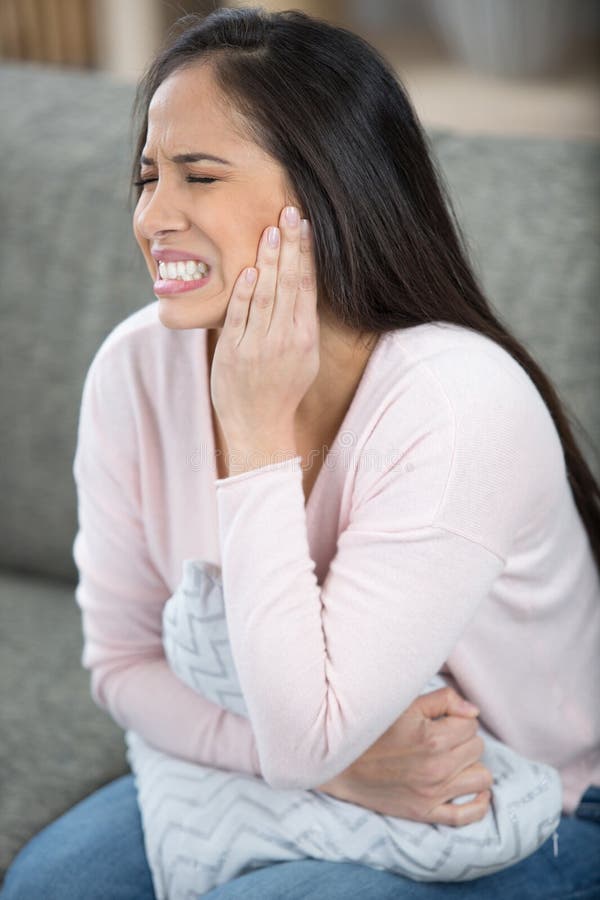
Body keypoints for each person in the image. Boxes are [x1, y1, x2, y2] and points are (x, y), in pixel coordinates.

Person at [3, 6, 599, 899]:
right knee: (51, 885)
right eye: (147, 176)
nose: (153, 216)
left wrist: (254, 433)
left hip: (528, 798)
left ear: (325, 194)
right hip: (294, 758)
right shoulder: (133, 369)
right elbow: (121, 663)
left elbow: (306, 731)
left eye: (199, 176)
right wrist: (340, 772)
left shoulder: (458, 404)